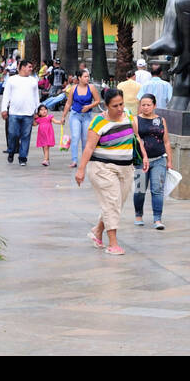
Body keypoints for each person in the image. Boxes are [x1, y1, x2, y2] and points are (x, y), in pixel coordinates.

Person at [75, 87, 147, 256]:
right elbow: (89, 147)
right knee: (112, 202)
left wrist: (143, 156)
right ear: (106, 106)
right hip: (102, 168)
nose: (120, 108)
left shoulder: (129, 116)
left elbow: (136, 137)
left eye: (121, 104)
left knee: (115, 204)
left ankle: (97, 231)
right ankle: (113, 243)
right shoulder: (98, 122)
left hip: (126, 168)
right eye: (115, 106)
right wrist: (81, 169)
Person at [132, 94, 172, 229]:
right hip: (141, 161)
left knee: (157, 190)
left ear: (154, 105)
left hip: (159, 159)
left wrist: (169, 161)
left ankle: (157, 219)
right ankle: (138, 215)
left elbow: (166, 142)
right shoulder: (135, 120)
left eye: (148, 104)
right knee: (139, 190)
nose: (145, 107)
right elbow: (136, 139)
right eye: (143, 104)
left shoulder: (161, 120)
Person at [1, 59, 40, 166]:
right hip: (14, 112)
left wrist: (37, 111)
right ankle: (11, 150)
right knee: (13, 134)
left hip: (28, 113)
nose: (31, 69)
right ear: (22, 67)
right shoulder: (12, 79)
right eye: (29, 67)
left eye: (31, 67)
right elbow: (6, 95)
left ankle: (23, 157)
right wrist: (4, 109)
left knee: (26, 135)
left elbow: (36, 96)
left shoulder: (33, 80)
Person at [63, 69, 100, 169]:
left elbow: (98, 100)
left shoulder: (91, 87)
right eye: (85, 76)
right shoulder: (73, 88)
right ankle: (74, 160)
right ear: (79, 78)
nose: (87, 78)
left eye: (88, 76)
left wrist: (89, 106)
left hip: (87, 115)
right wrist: (63, 116)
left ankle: (85, 159)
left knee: (85, 139)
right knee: (75, 137)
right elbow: (68, 103)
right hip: (75, 115)